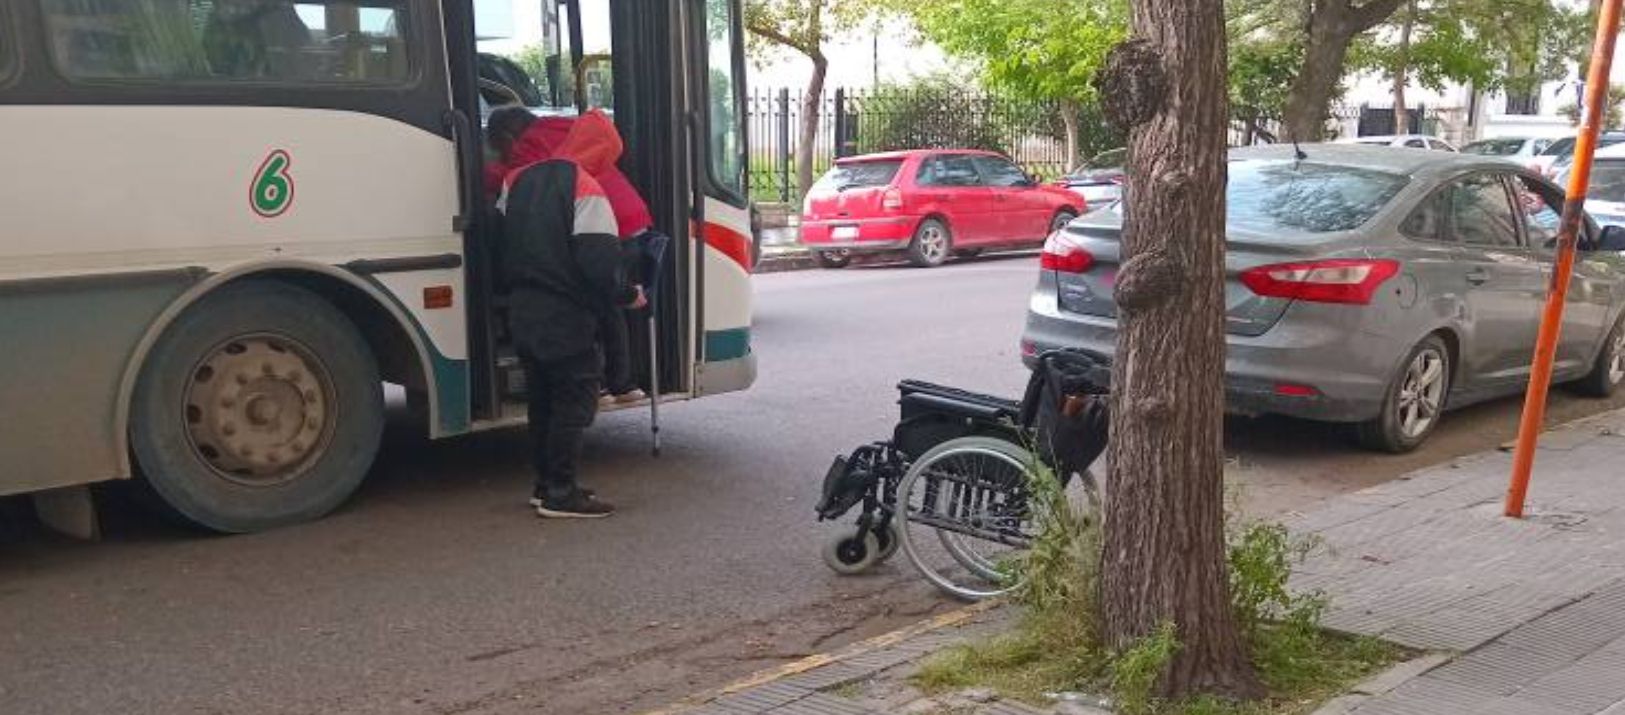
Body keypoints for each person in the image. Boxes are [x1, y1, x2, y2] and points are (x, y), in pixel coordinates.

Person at [495, 112, 646, 519]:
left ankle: (543, 485)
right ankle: (562, 492)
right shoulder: (585, 185)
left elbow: (500, 242)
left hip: (523, 309)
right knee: (573, 403)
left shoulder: (518, 180)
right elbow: (598, 263)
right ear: (601, 150)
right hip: (564, 315)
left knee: (541, 403)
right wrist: (628, 294)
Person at [488, 108, 653, 404]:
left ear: (508, 137)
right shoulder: (567, 128)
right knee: (610, 306)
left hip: (600, 225)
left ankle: (596, 384)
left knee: (588, 303)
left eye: (499, 148)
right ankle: (623, 383)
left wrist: (479, 171)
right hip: (632, 220)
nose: (501, 155)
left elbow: (525, 183)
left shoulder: (531, 146)